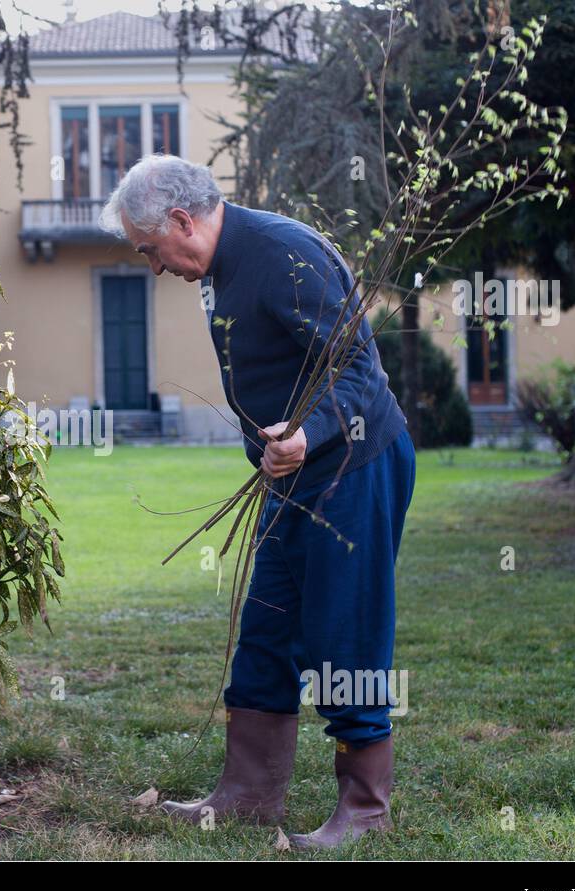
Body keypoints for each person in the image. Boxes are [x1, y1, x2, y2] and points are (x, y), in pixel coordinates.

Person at [99, 154, 416, 849]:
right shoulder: (220, 270)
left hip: (354, 466)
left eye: (151, 249)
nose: (154, 265)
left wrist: (309, 432)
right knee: (268, 626)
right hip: (291, 477)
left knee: (346, 632)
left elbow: (358, 365)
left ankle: (365, 807)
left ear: (182, 220)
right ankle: (246, 795)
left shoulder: (282, 253)